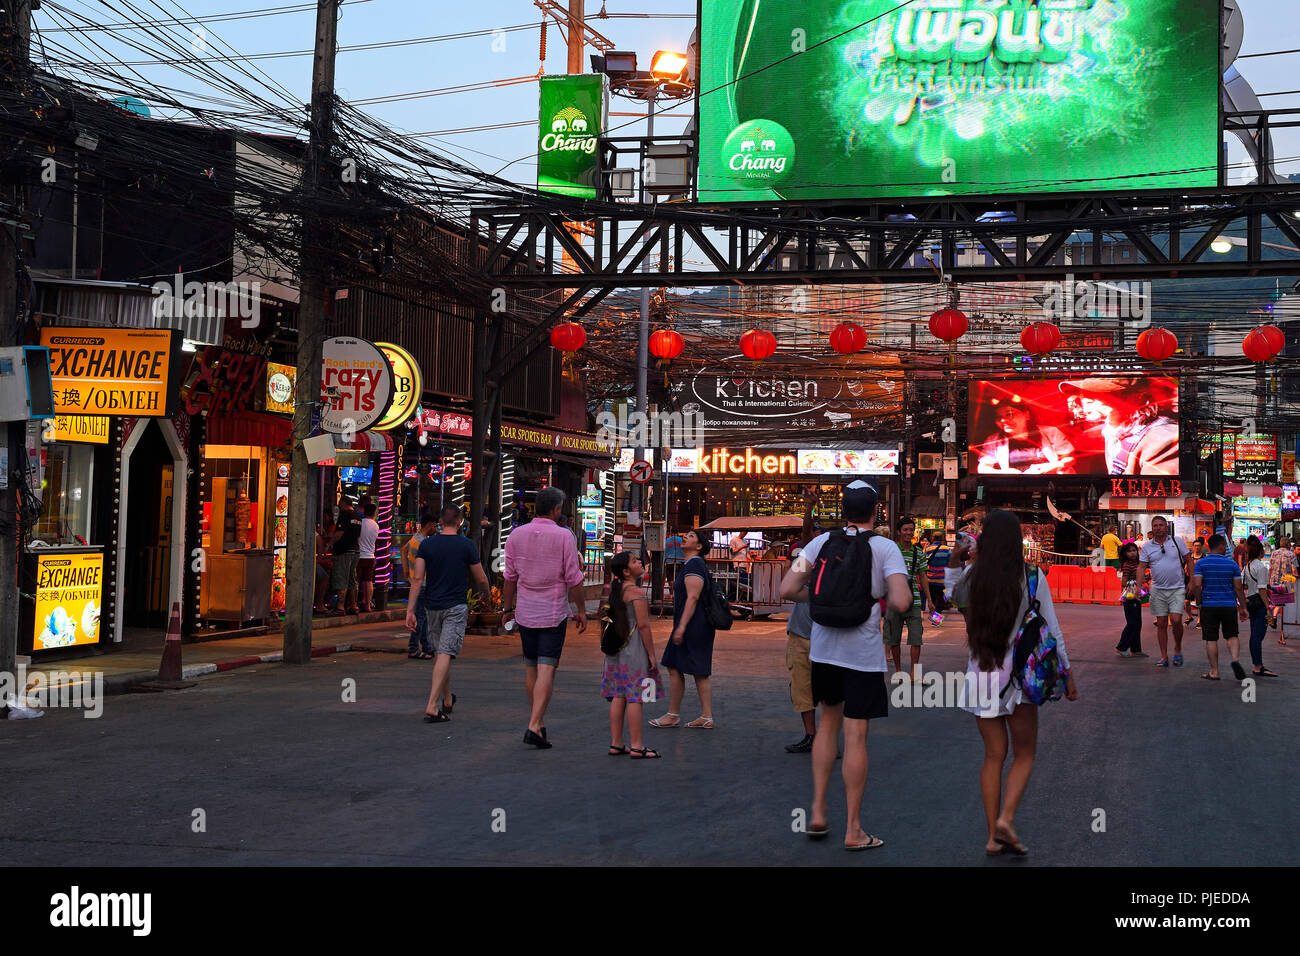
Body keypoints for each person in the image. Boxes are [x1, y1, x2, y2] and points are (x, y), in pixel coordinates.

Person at [779, 480, 912, 851]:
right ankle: (854, 829)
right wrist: (875, 595)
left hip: (822, 653)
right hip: (864, 657)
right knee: (856, 738)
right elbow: (901, 601)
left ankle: (819, 811)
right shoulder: (886, 548)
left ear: (843, 510)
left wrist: (819, 598)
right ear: (875, 511)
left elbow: (787, 590)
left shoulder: (819, 543)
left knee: (827, 730)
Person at [950, 510, 1077, 856]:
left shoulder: (974, 576)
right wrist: (1067, 672)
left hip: (981, 674)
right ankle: (1007, 817)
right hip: (1020, 676)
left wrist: (955, 561)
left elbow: (952, 598)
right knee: (1024, 754)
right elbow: (1051, 627)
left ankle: (993, 836)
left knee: (993, 756)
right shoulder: (1032, 575)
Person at [502, 487, 587, 749]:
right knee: (547, 669)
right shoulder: (564, 537)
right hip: (552, 613)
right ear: (557, 510)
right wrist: (581, 610)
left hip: (525, 612)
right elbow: (574, 578)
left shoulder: (516, 535)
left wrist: (507, 608)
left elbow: (509, 578)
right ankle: (533, 724)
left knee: (531, 668)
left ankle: (537, 723)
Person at [406, 506, 488, 722]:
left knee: (441, 653)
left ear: (440, 521)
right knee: (444, 653)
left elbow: (417, 579)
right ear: (460, 521)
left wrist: (410, 610)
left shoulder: (427, 545)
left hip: (432, 606)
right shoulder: (466, 545)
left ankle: (447, 698)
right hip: (455, 607)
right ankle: (432, 705)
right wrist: (487, 596)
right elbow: (480, 578)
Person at [650, 529, 718, 730]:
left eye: (691, 536)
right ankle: (704, 715)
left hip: (693, 625)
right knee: (689, 669)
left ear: (698, 547)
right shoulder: (691, 564)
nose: (685, 537)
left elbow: (693, 597)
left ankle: (674, 714)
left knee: (678, 666)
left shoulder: (695, 564)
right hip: (695, 625)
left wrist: (681, 627)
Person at [602, 552, 663, 758]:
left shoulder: (616, 590)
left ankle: (616, 743)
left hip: (615, 651)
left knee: (619, 695)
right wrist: (652, 654)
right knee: (636, 697)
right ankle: (637, 746)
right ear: (627, 571)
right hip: (634, 649)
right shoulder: (636, 592)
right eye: (635, 561)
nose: (640, 563)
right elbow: (644, 626)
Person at [1057, 378, 1179, 476]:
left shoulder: (1162, 439)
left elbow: (1156, 500)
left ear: (1137, 398)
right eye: (1084, 393)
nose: (1085, 399)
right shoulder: (1111, 428)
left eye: (1098, 392)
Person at [1188, 534, 1249, 682]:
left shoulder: (1201, 564)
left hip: (1209, 606)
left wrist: (1199, 601)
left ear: (1209, 546)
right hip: (1228, 605)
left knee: (1211, 639)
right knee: (1232, 635)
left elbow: (1197, 584)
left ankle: (1214, 672)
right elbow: (1239, 588)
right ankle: (1234, 659)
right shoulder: (1232, 564)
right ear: (1222, 546)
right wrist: (1243, 607)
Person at [1137, 516, 1193, 668]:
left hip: (1177, 588)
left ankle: (1177, 648)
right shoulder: (1147, 547)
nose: (1158, 528)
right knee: (1161, 623)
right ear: (1152, 528)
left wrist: (1192, 581)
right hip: (1158, 589)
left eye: (1161, 525)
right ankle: (1163, 656)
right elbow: (1141, 567)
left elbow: (1189, 559)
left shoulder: (1177, 542)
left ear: (1166, 527)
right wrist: (1138, 586)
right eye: (1155, 525)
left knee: (1176, 620)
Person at [973, 397, 1076, 474]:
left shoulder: (1050, 432)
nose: (1003, 420)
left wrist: (1055, 467)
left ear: (1026, 415)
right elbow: (983, 468)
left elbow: (1070, 458)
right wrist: (1005, 473)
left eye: (1010, 414)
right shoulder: (993, 439)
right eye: (999, 417)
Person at [884, 517, 930, 679]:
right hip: (894, 600)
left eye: (911, 530)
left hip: (915, 600)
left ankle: (913, 673)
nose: (909, 533)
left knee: (916, 638)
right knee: (894, 639)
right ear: (898, 531)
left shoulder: (918, 552)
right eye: (905, 530)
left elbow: (923, 576)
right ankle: (898, 671)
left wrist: (930, 601)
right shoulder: (891, 550)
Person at [784, 595, 816, 753]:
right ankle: (811, 736)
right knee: (801, 688)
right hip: (801, 634)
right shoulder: (804, 570)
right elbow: (787, 590)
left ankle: (827, 738)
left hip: (829, 636)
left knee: (831, 694)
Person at [1241, 536, 1277, 677]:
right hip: (1260, 604)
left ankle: (1257, 664)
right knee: (1258, 635)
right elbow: (1262, 590)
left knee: (1255, 635)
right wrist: (1268, 608)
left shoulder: (1247, 567)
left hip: (1251, 603)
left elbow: (1243, 585)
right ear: (1261, 552)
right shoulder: (1261, 567)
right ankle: (1258, 666)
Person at [403, 512, 437, 659]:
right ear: (429, 525)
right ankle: (413, 647)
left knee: (422, 616)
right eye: (435, 526)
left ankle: (427, 647)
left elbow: (403, 550)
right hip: (422, 583)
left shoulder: (414, 539)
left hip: (417, 582)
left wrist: (405, 570)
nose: (436, 528)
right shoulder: (423, 543)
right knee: (420, 617)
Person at [328, 496, 362, 616]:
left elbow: (339, 534)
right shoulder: (358, 517)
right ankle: (353, 605)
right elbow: (358, 535)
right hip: (356, 550)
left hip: (344, 551)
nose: (339, 507)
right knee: (352, 578)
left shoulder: (345, 515)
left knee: (342, 577)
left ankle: (340, 607)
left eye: (339, 505)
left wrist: (329, 544)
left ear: (343, 503)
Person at [1115, 542, 1147, 658]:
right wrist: (1136, 581)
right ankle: (1121, 647)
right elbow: (1124, 582)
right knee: (1132, 623)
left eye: (1134, 550)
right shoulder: (1127, 565)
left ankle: (1136, 649)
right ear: (1125, 554)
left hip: (1136, 597)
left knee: (1137, 623)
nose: (1133, 553)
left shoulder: (1138, 564)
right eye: (1129, 551)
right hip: (1130, 597)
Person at [1267, 535, 1295, 640]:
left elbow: (1270, 568)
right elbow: (1294, 569)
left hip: (1273, 580)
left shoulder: (1274, 553)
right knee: (1282, 601)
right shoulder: (1290, 554)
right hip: (1285, 582)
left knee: (1274, 601)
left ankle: (1272, 618)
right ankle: (1275, 619)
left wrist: (1269, 579)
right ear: (1288, 544)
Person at [357, 501, 380, 613]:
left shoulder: (360, 523)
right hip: (370, 556)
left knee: (356, 581)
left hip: (359, 555)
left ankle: (354, 604)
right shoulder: (376, 525)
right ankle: (368, 604)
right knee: (368, 581)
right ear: (374, 513)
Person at [924, 531, 950, 625]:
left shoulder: (927, 548)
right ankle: (936, 620)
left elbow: (923, 562)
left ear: (933, 538)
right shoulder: (946, 549)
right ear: (942, 539)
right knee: (939, 600)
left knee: (931, 599)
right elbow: (950, 563)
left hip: (930, 579)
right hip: (942, 579)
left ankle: (933, 615)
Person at [313, 513, 335, 613]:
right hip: (311, 563)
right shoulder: (316, 535)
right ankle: (319, 604)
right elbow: (321, 550)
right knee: (324, 577)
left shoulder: (317, 534)